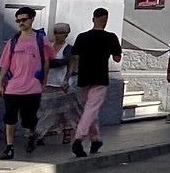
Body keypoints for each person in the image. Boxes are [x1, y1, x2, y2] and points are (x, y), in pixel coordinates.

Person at [0, 6, 51, 159]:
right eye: (18, 20)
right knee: (10, 118)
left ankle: (33, 135)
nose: (21, 23)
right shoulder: (13, 41)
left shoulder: (40, 40)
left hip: (32, 87)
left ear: (32, 20)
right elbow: (5, 63)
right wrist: (0, 83)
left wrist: (43, 82)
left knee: (29, 119)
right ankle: (9, 147)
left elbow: (46, 62)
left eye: (24, 19)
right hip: (13, 87)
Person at [69, 8, 121, 157]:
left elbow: (74, 57)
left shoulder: (82, 37)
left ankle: (96, 139)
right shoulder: (111, 37)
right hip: (100, 78)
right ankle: (78, 140)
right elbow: (117, 58)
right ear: (106, 20)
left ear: (93, 19)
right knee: (91, 110)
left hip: (83, 77)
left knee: (88, 110)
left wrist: (67, 78)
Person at [30, 22, 78, 151]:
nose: (58, 36)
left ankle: (67, 134)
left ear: (67, 34)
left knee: (66, 111)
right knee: (44, 110)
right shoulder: (49, 46)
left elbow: (69, 63)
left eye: (62, 33)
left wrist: (66, 79)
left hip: (62, 83)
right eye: (56, 32)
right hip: (48, 82)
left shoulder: (69, 48)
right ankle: (40, 134)